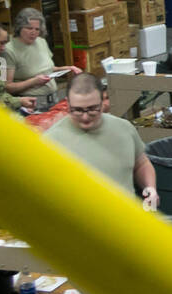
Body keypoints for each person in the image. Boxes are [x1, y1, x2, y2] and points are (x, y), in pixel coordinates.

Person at [45, 73, 158, 208]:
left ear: (103, 101)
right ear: (68, 103)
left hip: (126, 216)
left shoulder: (124, 128)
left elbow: (141, 163)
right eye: (78, 110)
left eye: (93, 109)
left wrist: (150, 188)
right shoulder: (50, 141)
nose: (85, 117)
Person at [4, 8, 81, 111]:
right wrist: (33, 82)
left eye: (37, 29)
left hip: (53, 100)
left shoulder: (41, 42)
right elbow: (7, 87)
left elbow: (48, 68)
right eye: (29, 28)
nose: (33, 32)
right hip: (30, 106)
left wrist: (68, 68)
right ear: (19, 27)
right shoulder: (9, 50)